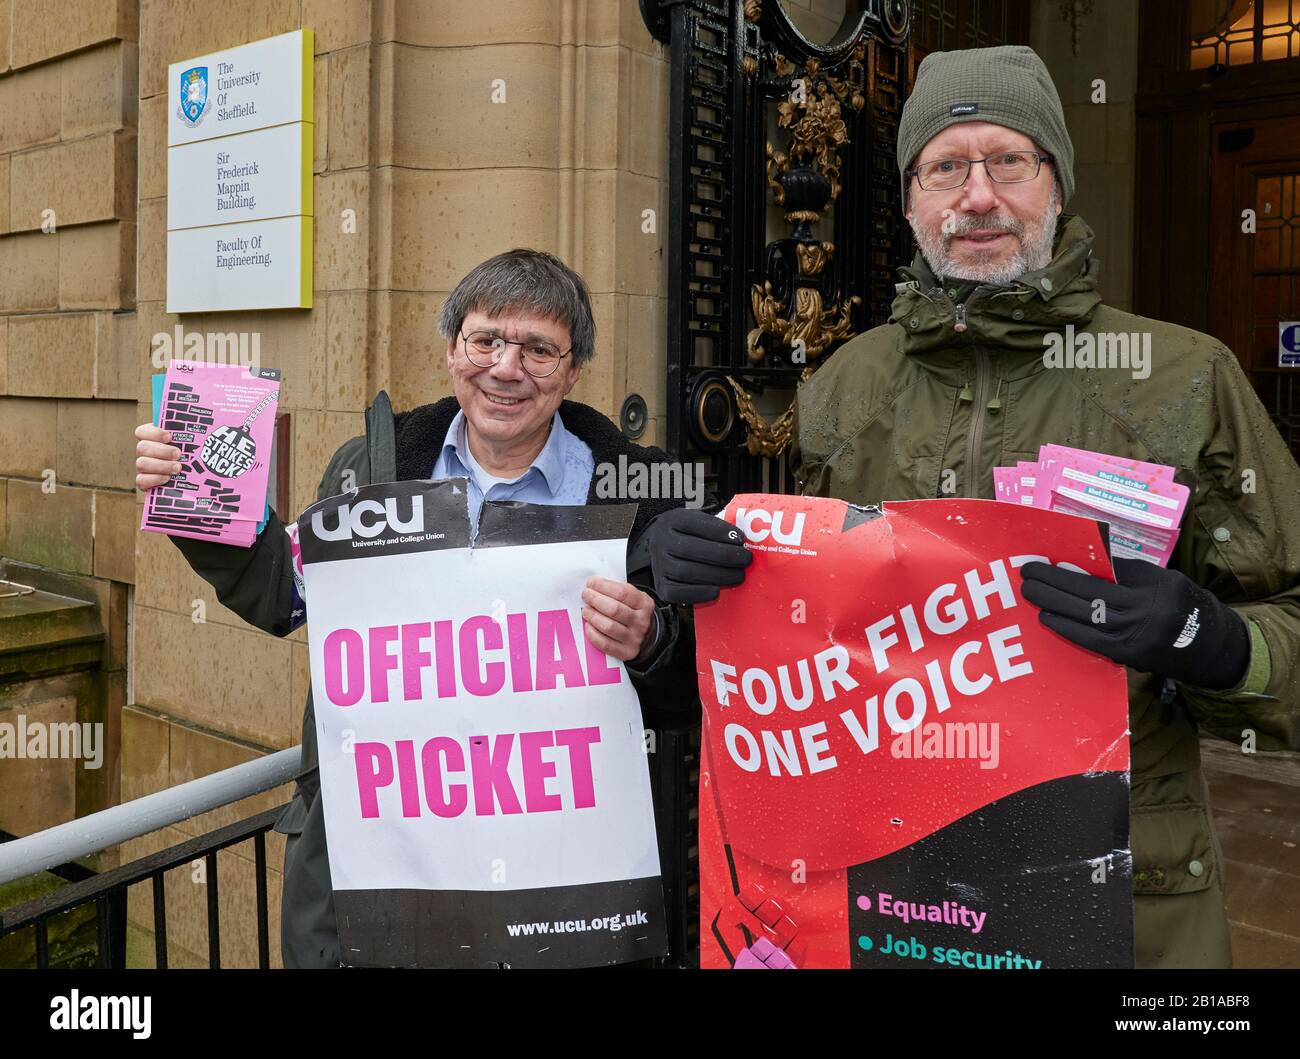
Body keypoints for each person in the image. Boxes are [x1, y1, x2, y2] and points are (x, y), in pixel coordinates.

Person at [646, 45, 1300, 968]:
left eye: (1010, 161)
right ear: (912, 202)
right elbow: (805, 631)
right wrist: (708, 587)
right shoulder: (844, 382)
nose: (979, 195)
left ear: (1057, 188)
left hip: (1123, 891)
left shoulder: (1184, 376)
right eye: (947, 166)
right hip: (897, 885)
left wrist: (1220, 643)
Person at [135, 249, 699, 967]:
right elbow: (286, 593)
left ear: (574, 370)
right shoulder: (373, 468)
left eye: (538, 349)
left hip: (562, 903)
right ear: (451, 350)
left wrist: (652, 641)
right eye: (486, 339)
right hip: (391, 894)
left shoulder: (635, 489)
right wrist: (198, 504)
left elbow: (693, 689)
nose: (506, 368)